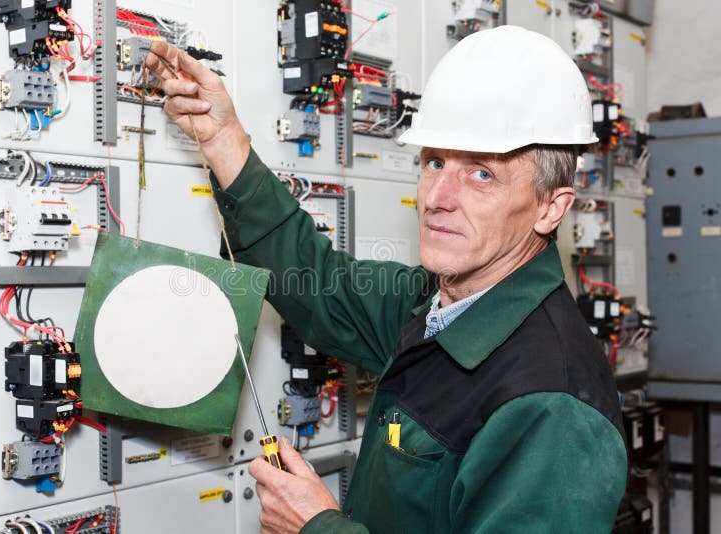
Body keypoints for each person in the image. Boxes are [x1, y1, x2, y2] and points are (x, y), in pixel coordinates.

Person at [146, 25, 627, 534]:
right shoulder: (438, 303)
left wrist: (318, 526)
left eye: (482, 173)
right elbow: (319, 283)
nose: (437, 197)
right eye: (434, 161)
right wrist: (224, 138)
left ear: (551, 208)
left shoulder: (553, 408)